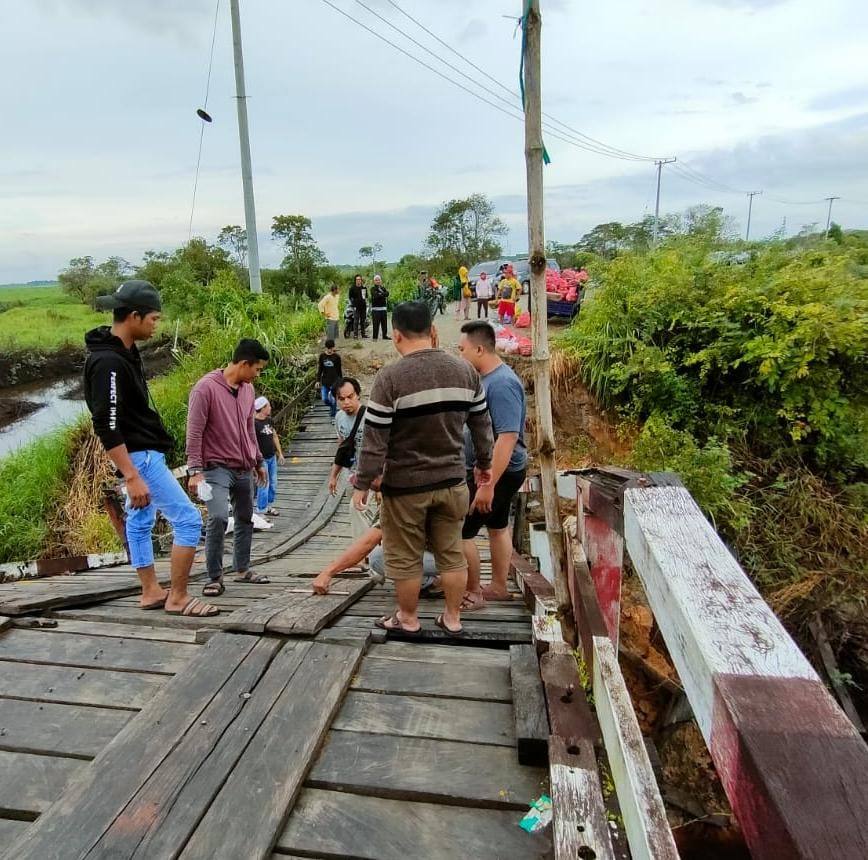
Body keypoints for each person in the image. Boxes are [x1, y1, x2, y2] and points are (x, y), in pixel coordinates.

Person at [353, 301, 494, 635]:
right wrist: (484, 465)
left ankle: (407, 618)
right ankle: (453, 618)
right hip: (452, 480)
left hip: (405, 488)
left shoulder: (390, 378)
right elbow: (482, 426)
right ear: (432, 331)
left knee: (404, 556)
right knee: (452, 552)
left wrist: (362, 483)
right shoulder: (465, 372)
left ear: (396, 335)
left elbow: (375, 440)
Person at [83, 281, 216, 618]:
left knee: (140, 519)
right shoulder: (108, 363)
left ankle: (150, 591)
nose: (157, 325)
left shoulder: (124, 351)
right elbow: (106, 424)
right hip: (138, 457)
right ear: (134, 316)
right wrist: (131, 475)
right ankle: (178, 598)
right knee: (187, 520)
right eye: (154, 318)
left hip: (142, 452)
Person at [187, 338, 271, 597]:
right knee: (219, 517)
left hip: (243, 466)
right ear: (244, 364)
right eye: (257, 369)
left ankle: (243, 569)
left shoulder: (247, 391)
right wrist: (194, 471)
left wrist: (258, 461)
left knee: (245, 516)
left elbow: (248, 430)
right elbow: (194, 432)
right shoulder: (205, 389)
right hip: (215, 468)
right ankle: (214, 576)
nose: (257, 375)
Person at [457, 321, 528, 609]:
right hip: (494, 470)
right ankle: (498, 586)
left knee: (460, 532)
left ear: (479, 348)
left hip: (500, 471)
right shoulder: (486, 380)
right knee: (497, 526)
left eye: (462, 349)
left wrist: (487, 485)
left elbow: (507, 438)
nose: (460, 355)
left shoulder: (501, 384)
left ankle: (473, 593)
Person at [312, 504, 439, 595]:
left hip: (446, 560)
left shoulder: (400, 499)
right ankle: (447, 581)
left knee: (379, 558)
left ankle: (438, 582)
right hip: (451, 556)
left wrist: (328, 572)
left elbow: (367, 543)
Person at [327, 376, 376, 545]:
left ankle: (363, 553)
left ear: (358, 395)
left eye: (350, 397)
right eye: (341, 399)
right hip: (352, 474)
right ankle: (370, 553)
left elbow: (384, 449)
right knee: (362, 514)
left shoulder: (371, 416)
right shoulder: (339, 418)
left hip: (372, 475)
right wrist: (334, 475)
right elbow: (342, 448)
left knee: (357, 509)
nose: (346, 402)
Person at [253, 396, 285, 518]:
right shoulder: (254, 424)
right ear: (262, 408)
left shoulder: (269, 420)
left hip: (272, 457)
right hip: (261, 459)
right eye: (268, 406)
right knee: (263, 483)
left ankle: (269, 505)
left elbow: (274, 436)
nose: (270, 408)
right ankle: (261, 509)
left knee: (273, 483)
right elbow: (251, 442)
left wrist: (280, 453)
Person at [316, 339, 342, 418]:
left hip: (334, 381)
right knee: (325, 399)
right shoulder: (322, 356)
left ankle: (333, 415)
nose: (330, 350)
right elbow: (320, 369)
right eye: (329, 349)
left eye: (331, 348)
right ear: (326, 348)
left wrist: (341, 381)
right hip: (325, 381)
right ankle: (332, 407)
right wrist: (317, 380)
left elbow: (339, 370)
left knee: (333, 399)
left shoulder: (337, 357)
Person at [348, 274, 369, 339]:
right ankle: (355, 335)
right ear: (355, 280)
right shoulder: (352, 288)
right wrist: (353, 304)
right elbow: (350, 297)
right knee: (356, 321)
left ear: (361, 280)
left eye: (359, 279)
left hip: (363, 306)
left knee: (363, 321)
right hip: (356, 307)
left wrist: (365, 299)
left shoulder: (364, 288)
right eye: (357, 279)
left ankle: (363, 334)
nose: (358, 281)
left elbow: (366, 296)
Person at [370, 274, 390, 341]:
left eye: (379, 280)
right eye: (376, 280)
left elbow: (387, 293)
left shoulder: (383, 288)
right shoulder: (372, 289)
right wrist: (382, 294)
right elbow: (375, 296)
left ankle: (385, 336)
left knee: (384, 324)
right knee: (376, 325)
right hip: (375, 310)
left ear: (381, 281)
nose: (378, 281)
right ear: (374, 281)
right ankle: (375, 338)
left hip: (383, 309)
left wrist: (380, 294)